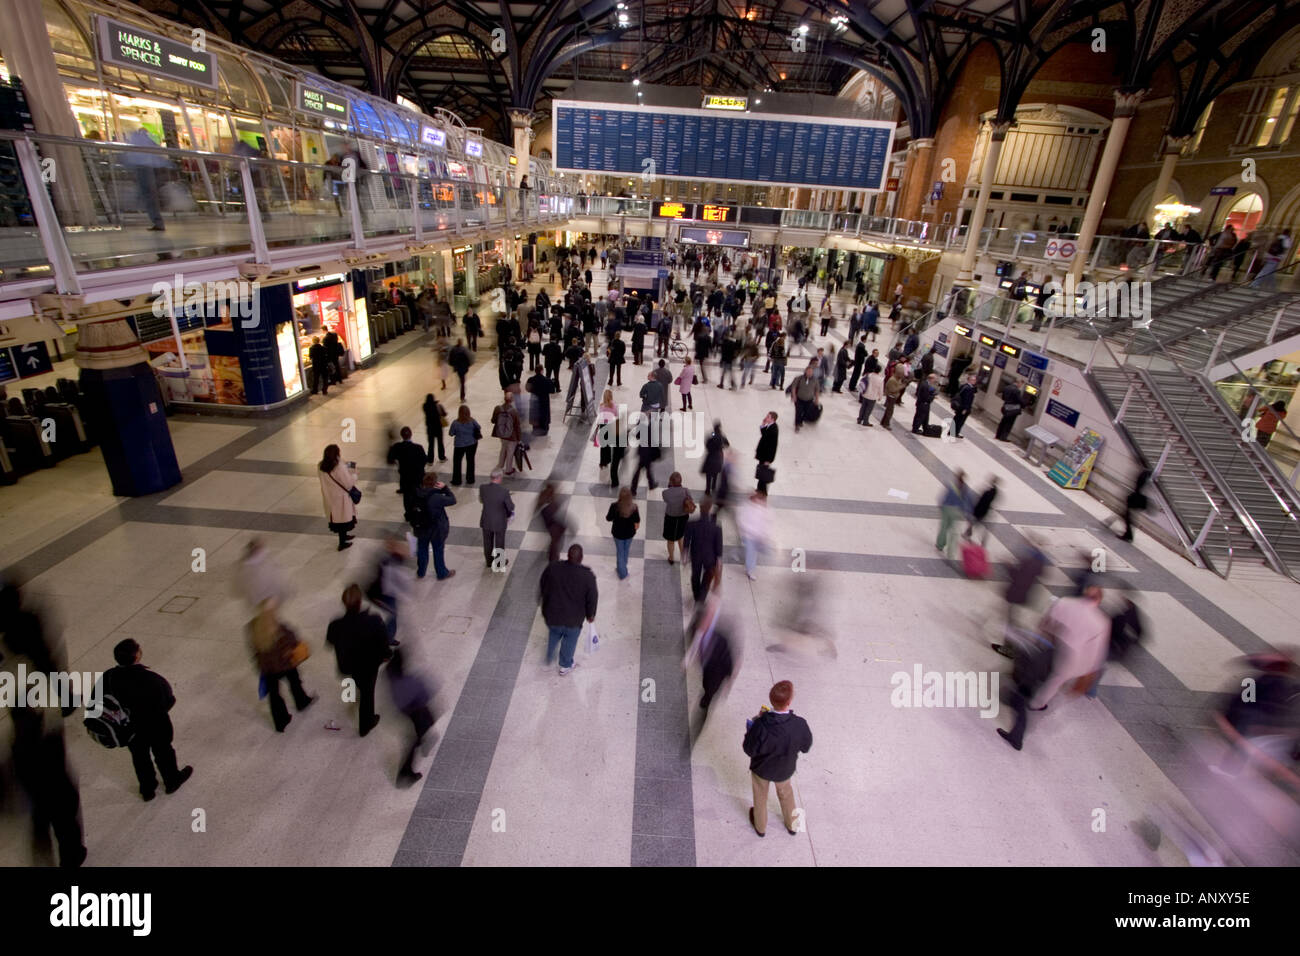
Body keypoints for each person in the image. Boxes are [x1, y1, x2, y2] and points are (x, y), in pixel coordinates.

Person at [2, 583, 87, 866]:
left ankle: (41, 844)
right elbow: (49, 664)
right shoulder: (30, 634)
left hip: (25, 731)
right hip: (42, 733)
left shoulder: (8, 653)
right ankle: (71, 854)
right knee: (63, 802)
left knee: (39, 801)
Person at [997, 586, 1109, 752]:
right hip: (1072, 658)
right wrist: (1088, 671)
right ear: (1098, 600)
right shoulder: (1101, 622)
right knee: (1057, 679)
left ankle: (1020, 702)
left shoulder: (1066, 603)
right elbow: (1096, 652)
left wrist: (1039, 637)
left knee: (1032, 679)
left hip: (1050, 646)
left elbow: (1045, 621)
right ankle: (1037, 703)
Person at [101, 639, 193, 801]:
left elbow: (100, 701)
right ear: (136, 657)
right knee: (163, 752)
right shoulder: (151, 679)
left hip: (130, 729)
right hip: (156, 726)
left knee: (139, 756)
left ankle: (147, 788)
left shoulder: (109, 676)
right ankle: (172, 780)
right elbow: (169, 700)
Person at [743, 680, 813, 838]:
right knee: (787, 794)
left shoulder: (760, 725)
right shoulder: (799, 724)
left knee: (760, 796)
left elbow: (749, 749)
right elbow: (806, 747)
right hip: (785, 769)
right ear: (789, 702)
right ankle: (792, 825)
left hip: (762, 769)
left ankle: (760, 827)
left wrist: (752, 728)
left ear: (771, 701)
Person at [325, 585, 391, 736]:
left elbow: (330, 642)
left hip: (348, 664)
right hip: (369, 665)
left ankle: (355, 689)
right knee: (368, 693)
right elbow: (383, 644)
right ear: (360, 602)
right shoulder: (373, 621)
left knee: (357, 681)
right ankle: (366, 724)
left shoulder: (335, 625)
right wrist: (387, 655)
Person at [247, 597, 314, 732]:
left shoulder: (252, 626)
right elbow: (294, 644)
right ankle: (302, 702)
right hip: (285, 666)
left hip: (267, 668)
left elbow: (253, 649)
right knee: (295, 682)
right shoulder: (281, 630)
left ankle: (280, 721)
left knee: (274, 695)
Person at [539, 544, 599, 676]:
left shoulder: (553, 568)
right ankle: (565, 665)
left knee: (554, 635)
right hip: (573, 619)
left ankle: (549, 657)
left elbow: (543, 584)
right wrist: (590, 615)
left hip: (553, 615)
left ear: (568, 555)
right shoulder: (587, 576)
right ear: (581, 558)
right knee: (569, 642)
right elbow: (592, 598)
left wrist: (544, 602)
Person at [387, 649, 436, 787]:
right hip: (416, 711)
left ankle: (422, 740)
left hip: (405, 711)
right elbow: (425, 696)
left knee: (426, 725)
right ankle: (405, 772)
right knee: (420, 732)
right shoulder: (409, 682)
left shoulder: (391, 674)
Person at [409, 472, 456, 580]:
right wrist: (445, 488)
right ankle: (441, 572)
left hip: (420, 527)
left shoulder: (416, 493)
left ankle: (421, 572)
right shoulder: (437, 497)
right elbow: (453, 500)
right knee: (438, 550)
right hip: (436, 529)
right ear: (435, 483)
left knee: (422, 549)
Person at [681, 496, 724, 602]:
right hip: (710, 558)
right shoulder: (717, 528)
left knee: (695, 576)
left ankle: (697, 596)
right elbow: (719, 548)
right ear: (710, 509)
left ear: (699, 508)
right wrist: (719, 561)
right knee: (707, 578)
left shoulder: (691, 524)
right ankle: (701, 599)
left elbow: (686, 543)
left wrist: (685, 557)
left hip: (696, 555)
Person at [318, 444, 358, 550]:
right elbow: (348, 483)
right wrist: (354, 475)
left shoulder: (321, 466)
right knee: (343, 521)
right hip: (342, 499)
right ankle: (342, 543)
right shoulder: (338, 467)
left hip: (331, 497)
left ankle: (344, 537)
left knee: (338, 519)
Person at [479, 469, 515, 569]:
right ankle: (499, 562)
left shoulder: (482, 488)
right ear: (499, 478)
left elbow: (482, 500)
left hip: (486, 519)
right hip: (499, 521)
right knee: (499, 542)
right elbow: (510, 507)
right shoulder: (504, 491)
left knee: (487, 541)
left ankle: (489, 562)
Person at [606, 486, 641, 580]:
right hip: (630, 533)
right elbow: (637, 520)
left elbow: (608, 518)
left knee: (620, 551)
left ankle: (622, 572)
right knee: (626, 550)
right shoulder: (634, 507)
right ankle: (622, 567)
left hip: (617, 534)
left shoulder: (614, 506)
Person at [936, 470, 971, 557]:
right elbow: (967, 501)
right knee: (954, 532)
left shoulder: (951, 486)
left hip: (947, 509)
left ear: (956, 477)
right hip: (958, 511)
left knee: (944, 528)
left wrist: (941, 505)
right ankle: (951, 553)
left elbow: (944, 498)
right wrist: (966, 513)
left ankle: (940, 545)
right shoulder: (966, 489)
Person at [737, 490, 770, 580]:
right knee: (750, 553)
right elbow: (742, 521)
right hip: (749, 536)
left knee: (753, 553)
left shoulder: (760, 507)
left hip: (756, 536)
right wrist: (751, 532)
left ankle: (750, 568)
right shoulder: (746, 507)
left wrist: (763, 534)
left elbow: (764, 521)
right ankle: (749, 570)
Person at [387, 426, 427, 497]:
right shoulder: (418, 447)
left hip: (404, 473)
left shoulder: (397, 447)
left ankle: (403, 489)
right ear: (411, 435)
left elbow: (390, 459)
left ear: (401, 435)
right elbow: (424, 460)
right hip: (417, 474)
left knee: (403, 475)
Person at [490, 391, 523, 476]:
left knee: (503, 448)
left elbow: (493, 420)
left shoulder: (498, 408)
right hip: (512, 436)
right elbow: (517, 426)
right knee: (510, 452)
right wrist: (519, 438)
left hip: (501, 434)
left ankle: (500, 465)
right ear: (512, 400)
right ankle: (508, 469)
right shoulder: (514, 411)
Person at [662, 472, 692, 564]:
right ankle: (684, 557)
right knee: (681, 537)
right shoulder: (686, 491)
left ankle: (671, 558)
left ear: (671, 482)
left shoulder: (666, 493)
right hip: (683, 518)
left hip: (670, 518)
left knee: (670, 540)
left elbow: (666, 500)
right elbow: (690, 499)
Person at [447, 404, 481, 486]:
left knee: (457, 462)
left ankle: (457, 480)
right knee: (470, 461)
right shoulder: (472, 421)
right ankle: (470, 479)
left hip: (459, 445)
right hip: (472, 443)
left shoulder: (455, 423)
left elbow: (451, 433)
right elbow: (479, 427)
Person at [1117, 468, 1151, 542]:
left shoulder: (1145, 474)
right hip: (1137, 497)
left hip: (1137, 498)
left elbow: (1140, 487)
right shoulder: (1146, 474)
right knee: (1128, 516)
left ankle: (1128, 535)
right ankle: (1128, 535)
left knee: (1128, 516)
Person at [788, 364, 821, 432]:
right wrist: (794, 396)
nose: (809, 373)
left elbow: (817, 390)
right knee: (798, 412)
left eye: (811, 372)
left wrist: (817, 399)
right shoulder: (799, 378)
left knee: (806, 412)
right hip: (799, 399)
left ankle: (801, 421)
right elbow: (793, 387)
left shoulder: (815, 380)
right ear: (805, 371)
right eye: (808, 371)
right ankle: (797, 425)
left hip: (809, 400)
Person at [966, 475, 999, 542]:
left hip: (981, 510)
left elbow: (983, 500)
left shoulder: (990, 491)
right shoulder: (994, 490)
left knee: (975, 522)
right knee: (974, 522)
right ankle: (968, 532)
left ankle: (969, 533)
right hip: (983, 510)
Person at [526, 366, 555, 436]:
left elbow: (527, 389)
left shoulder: (531, 380)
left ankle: (535, 427)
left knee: (535, 413)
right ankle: (544, 427)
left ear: (535, 371)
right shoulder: (547, 380)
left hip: (534, 400)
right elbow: (552, 391)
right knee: (544, 413)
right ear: (542, 371)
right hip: (544, 400)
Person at [701, 421, 728, 496]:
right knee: (715, 474)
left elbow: (707, 445)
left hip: (710, 458)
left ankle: (707, 489)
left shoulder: (711, 436)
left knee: (708, 475)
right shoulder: (722, 436)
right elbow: (727, 444)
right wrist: (721, 447)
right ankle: (713, 488)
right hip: (718, 458)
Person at [755, 411, 779, 494]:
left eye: (768, 417)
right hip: (763, 455)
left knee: (763, 476)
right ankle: (759, 490)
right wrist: (763, 423)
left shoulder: (774, 430)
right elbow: (764, 434)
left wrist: (768, 460)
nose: (766, 417)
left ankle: (762, 492)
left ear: (772, 419)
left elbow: (772, 447)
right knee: (761, 473)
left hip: (766, 457)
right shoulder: (770, 426)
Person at [422, 394, 448, 463]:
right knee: (440, 443)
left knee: (431, 444)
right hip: (438, 428)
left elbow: (428, 407)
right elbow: (444, 414)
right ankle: (442, 457)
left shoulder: (425, 406)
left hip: (430, 428)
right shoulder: (438, 406)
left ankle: (430, 460)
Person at [952, 372, 977, 438]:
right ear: (969, 380)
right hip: (963, 407)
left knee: (956, 419)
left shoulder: (964, 386)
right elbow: (967, 400)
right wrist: (965, 409)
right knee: (960, 420)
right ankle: (955, 432)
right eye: (973, 380)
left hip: (959, 406)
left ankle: (952, 431)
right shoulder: (969, 389)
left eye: (975, 380)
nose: (974, 381)